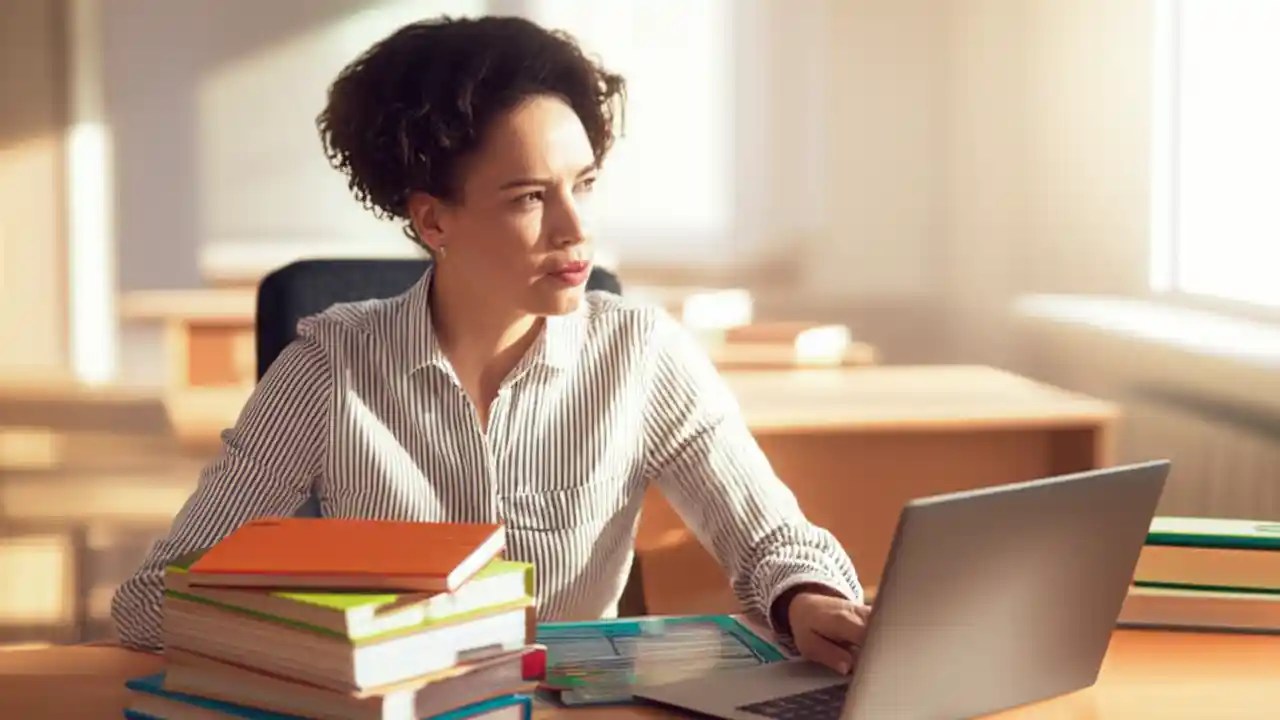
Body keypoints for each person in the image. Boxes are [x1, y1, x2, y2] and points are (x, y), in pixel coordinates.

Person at [111, 14, 870, 675]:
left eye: (585, 183)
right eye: (531, 197)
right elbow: (151, 606)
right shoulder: (330, 367)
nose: (576, 229)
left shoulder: (641, 355)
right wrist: (337, 643)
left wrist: (806, 599)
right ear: (433, 221)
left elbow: (776, 542)